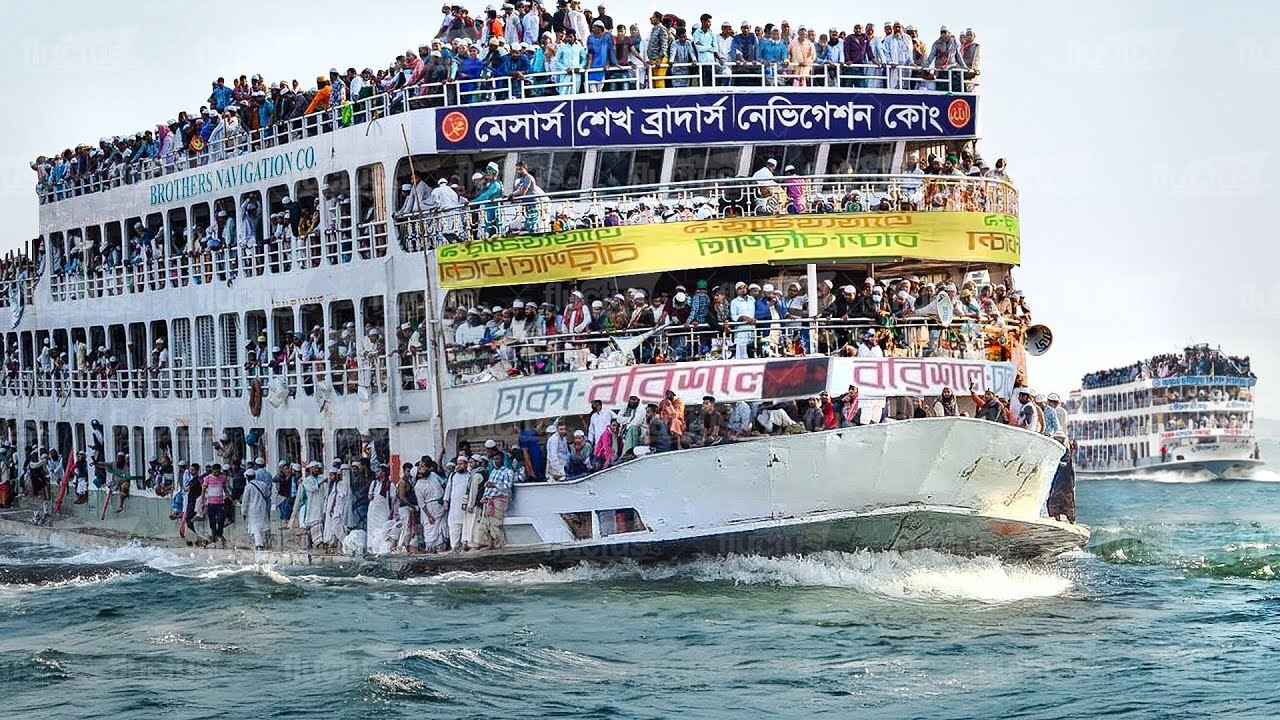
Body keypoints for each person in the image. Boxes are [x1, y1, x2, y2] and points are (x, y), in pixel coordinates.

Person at [477, 450, 515, 549]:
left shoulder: (508, 472)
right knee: (485, 524)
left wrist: (494, 485)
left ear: (503, 460)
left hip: (499, 500)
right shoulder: (493, 471)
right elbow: (488, 486)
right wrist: (485, 495)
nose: (495, 461)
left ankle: (499, 545)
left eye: (497, 459)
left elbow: (507, 487)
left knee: (496, 524)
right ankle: (488, 544)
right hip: (489, 500)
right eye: (494, 459)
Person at [415, 459, 448, 553]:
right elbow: (422, 504)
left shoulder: (433, 475)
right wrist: (429, 516)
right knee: (431, 529)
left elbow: (443, 484)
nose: (423, 468)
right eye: (420, 467)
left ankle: (442, 548)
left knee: (443, 528)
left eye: (424, 466)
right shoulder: (418, 486)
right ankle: (430, 549)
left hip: (441, 506)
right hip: (430, 509)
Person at [242, 466, 274, 550]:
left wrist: (243, 512)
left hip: (253, 510)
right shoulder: (263, 484)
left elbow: (245, 501)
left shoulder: (248, 487)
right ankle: (263, 543)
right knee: (262, 527)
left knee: (256, 528)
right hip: (262, 508)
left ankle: (259, 545)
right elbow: (267, 494)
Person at [444, 456, 472, 552]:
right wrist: (445, 501)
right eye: (458, 464)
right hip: (454, 508)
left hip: (465, 507)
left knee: (466, 527)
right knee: (453, 527)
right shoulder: (453, 476)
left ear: (466, 464)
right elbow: (448, 489)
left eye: (461, 464)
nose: (458, 466)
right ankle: (454, 547)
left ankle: (465, 547)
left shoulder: (470, 476)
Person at [1047, 437, 1076, 522]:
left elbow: (1066, 465)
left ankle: (1071, 521)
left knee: (1067, 502)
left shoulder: (1065, 451)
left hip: (1064, 482)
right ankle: (1058, 519)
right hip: (1058, 481)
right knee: (1055, 501)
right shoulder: (1057, 451)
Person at [321, 464, 351, 550]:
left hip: (339, 509)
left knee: (337, 527)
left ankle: (345, 543)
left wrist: (333, 507)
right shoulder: (332, 484)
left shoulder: (340, 484)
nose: (331, 477)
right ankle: (339, 544)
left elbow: (341, 496)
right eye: (330, 475)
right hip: (333, 509)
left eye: (332, 475)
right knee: (332, 527)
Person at [202, 464, 229, 546]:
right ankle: (214, 536)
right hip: (211, 503)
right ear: (212, 470)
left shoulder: (223, 478)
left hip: (220, 503)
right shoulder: (207, 479)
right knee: (212, 521)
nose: (216, 473)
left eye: (218, 471)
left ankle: (219, 534)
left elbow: (225, 489)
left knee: (221, 519)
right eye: (215, 471)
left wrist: (230, 498)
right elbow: (203, 490)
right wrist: (203, 501)